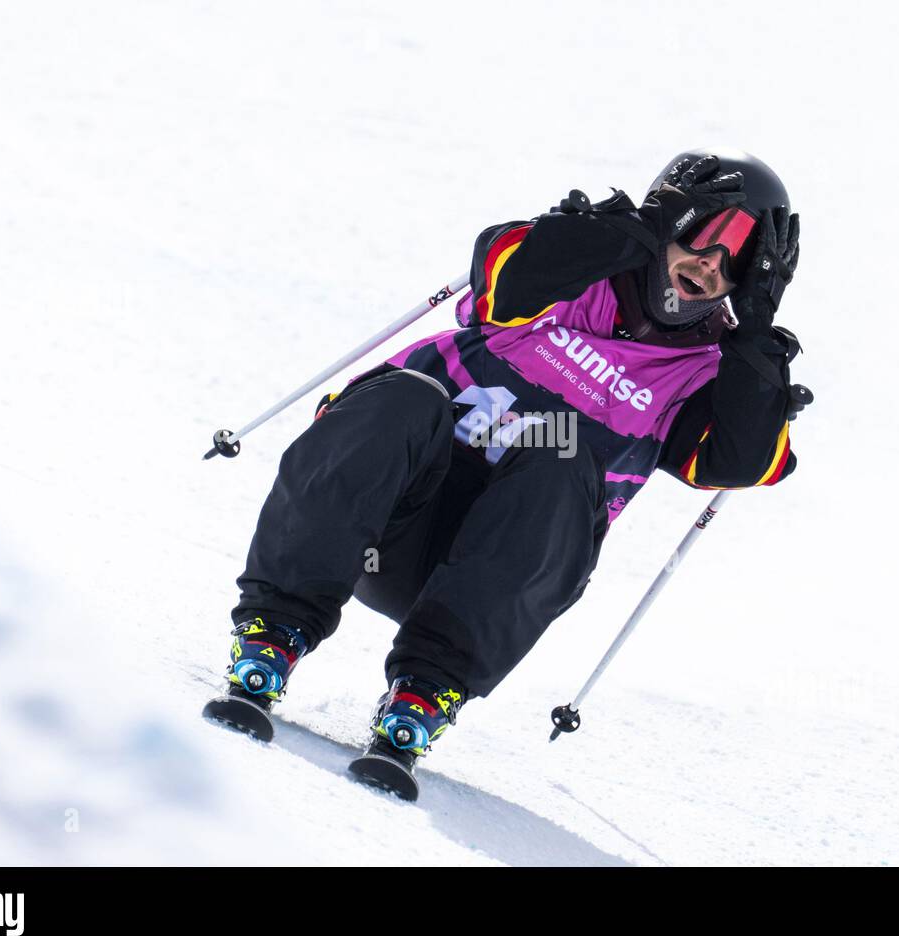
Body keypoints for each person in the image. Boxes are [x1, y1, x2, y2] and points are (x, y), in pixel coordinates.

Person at [216, 151, 806, 793]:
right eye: (706, 236)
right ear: (672, 218)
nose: (711, 263)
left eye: (741, 259)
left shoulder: (706, 372)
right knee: (409, 395)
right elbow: (501, 281)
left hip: (491, 576)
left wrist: (754, 349)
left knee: (559, 443)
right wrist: (612, 236)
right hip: (375, 526)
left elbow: (739, 463)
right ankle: (271, 636)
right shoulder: (579, 268)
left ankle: (423, 695)